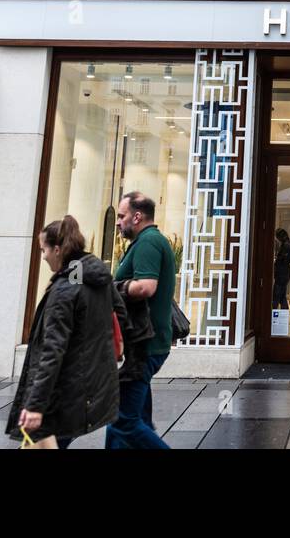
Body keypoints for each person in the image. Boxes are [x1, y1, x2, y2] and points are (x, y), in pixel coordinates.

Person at [7, 216, 123, 449]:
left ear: (58, 249)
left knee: (44, 441)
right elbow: (120, 314)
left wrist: (35, 405)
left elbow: (52, 351)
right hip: (92, 386)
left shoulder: (64, 290)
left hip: (65, 392)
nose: (43, 257)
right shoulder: (98, 277)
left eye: (44, 250)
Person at [106, 192, 176, 449]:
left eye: (122, 216)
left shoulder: (148, 242)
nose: (117, 221)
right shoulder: (145, 241)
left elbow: (146, 287)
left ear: (137, 217)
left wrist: (111, 288)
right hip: (143, 344)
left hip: (144, 346)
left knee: (123, 421)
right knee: (135, 420)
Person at [272, 228, 290, 310]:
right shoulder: (287, 244)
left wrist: (277, 260)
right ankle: (284, 317)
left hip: (282, 274)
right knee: (281, 296)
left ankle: (274, 316)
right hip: (284, 273)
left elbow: (283, 260)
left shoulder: (286, 245)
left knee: (277, 295)